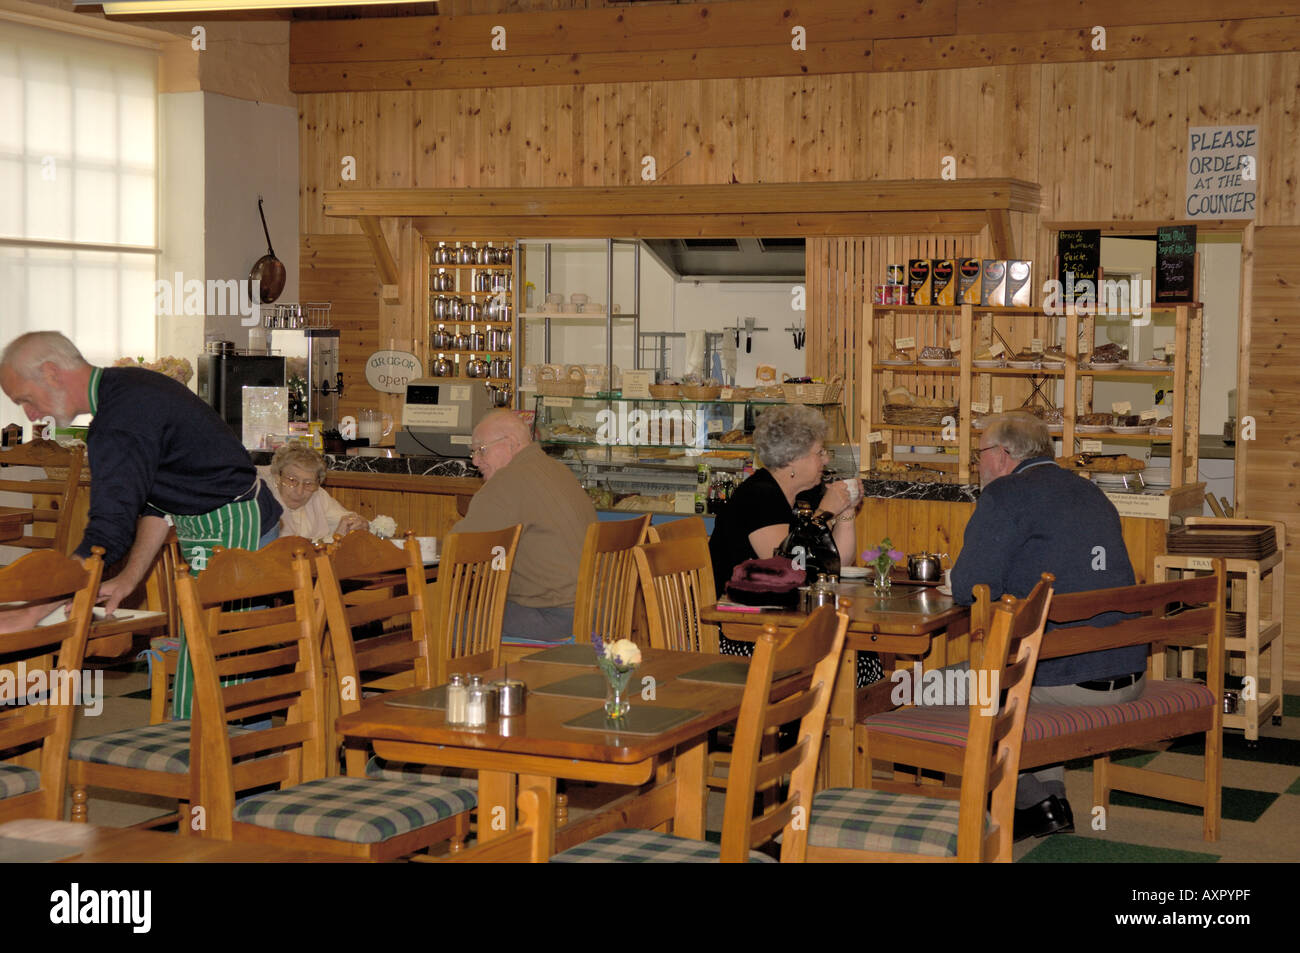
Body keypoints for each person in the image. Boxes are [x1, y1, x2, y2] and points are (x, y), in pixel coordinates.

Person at [0, 331, 282, 717]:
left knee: (217, 671)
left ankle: (227, 773)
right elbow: (156, 505)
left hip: (235, 527)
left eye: (26, 401)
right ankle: (240, 769)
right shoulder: (129, 389)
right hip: (232, 520)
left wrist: (34, 611)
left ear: (51, 372)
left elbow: (107, 534)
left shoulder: (119, 420)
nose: (30, 416)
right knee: (216, 663)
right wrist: (129, 579)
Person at [949, 412, 1144, 840]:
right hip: (1128, 669)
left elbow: (969, 588)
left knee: (941, 685)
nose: (977, 465)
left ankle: (1027, 798)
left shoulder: (1005, 494)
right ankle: (1046, 801)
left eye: (979, 454)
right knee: (1027, 667)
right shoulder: (1091, 492)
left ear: (1002, 456)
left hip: (1070, 680)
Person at [708, 403, 880, 685]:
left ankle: (825, 726)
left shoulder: (806, 494)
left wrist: (847, 512)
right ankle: (811, 724)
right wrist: (825, 513)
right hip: (742, 629)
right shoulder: (758, 497)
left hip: (781, 621)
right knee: (845, 658)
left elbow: (837, 562)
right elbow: (788, 569)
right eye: (819, 453)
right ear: (792, 459)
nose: (825, 460)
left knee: (858, 652)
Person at [449, 408, 597, 643]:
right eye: (473, 453)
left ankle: (466, 681)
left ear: (510, 443)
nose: (475, 461)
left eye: (481, 450)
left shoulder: (507, 480)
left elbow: (460, 547)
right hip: (598, 610)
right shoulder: (558, 470)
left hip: (555, 617)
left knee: (445, 630)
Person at [259, 444, 368, 541]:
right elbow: (285, 550)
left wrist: (358, 523)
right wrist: (335, 538)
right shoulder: (262, 496)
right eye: (292, 480)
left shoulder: (316, 493)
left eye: (308, 483)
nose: (299, 491)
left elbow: (345, 520)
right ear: (277, 477)